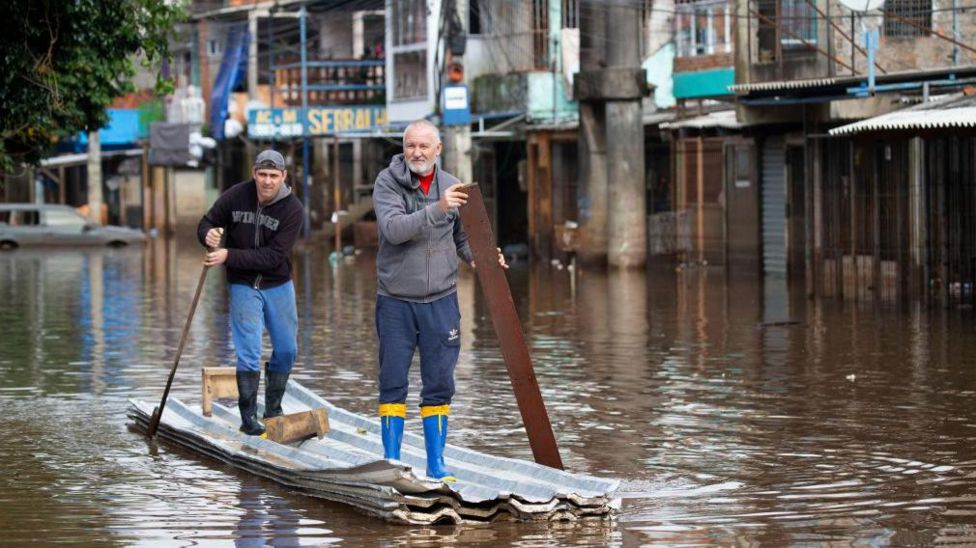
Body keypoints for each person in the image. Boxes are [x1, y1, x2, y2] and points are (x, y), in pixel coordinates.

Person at [372, 119, 506, 481]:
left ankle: (436, 464)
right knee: (393, 381)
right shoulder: (387, 182)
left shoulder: (452, 186)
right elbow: (394, 230)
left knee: (440, 384)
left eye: (423, 146)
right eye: (410, 145)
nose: (416, 152)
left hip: (441, 300)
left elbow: (461, 238)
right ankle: (391, 463)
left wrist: (482, 258)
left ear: (438, 149)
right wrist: (438, 207)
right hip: (396, 300)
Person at [197, 149, 304, 436]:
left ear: (283, 176)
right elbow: (207, 221)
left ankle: (272, 409)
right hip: (242, 284)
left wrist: (228, 255)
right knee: (248, 352)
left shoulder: (293, 209)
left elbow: (273, 257)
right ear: (254, 173)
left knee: (287, 350)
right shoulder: (236, 196)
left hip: (278, 283)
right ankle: (248, 418)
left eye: (273, 176)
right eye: (262, 174)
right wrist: (207, 234)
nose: (267, 181)